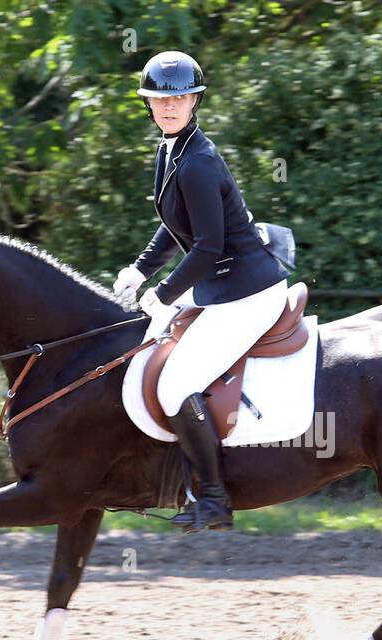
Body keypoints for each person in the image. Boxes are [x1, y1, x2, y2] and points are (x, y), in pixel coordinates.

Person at [112, 51, 290, 533]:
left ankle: (213, 498)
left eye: (180, 98)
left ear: (194, 101)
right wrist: (139, 270)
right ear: (149, 104)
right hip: (218, 284)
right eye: (160, 99)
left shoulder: (198, 162)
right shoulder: (171, 150)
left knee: (174, 384)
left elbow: (208, 247)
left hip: (247, 291)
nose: (169, 106)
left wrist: (165, 292)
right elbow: (175, 227)